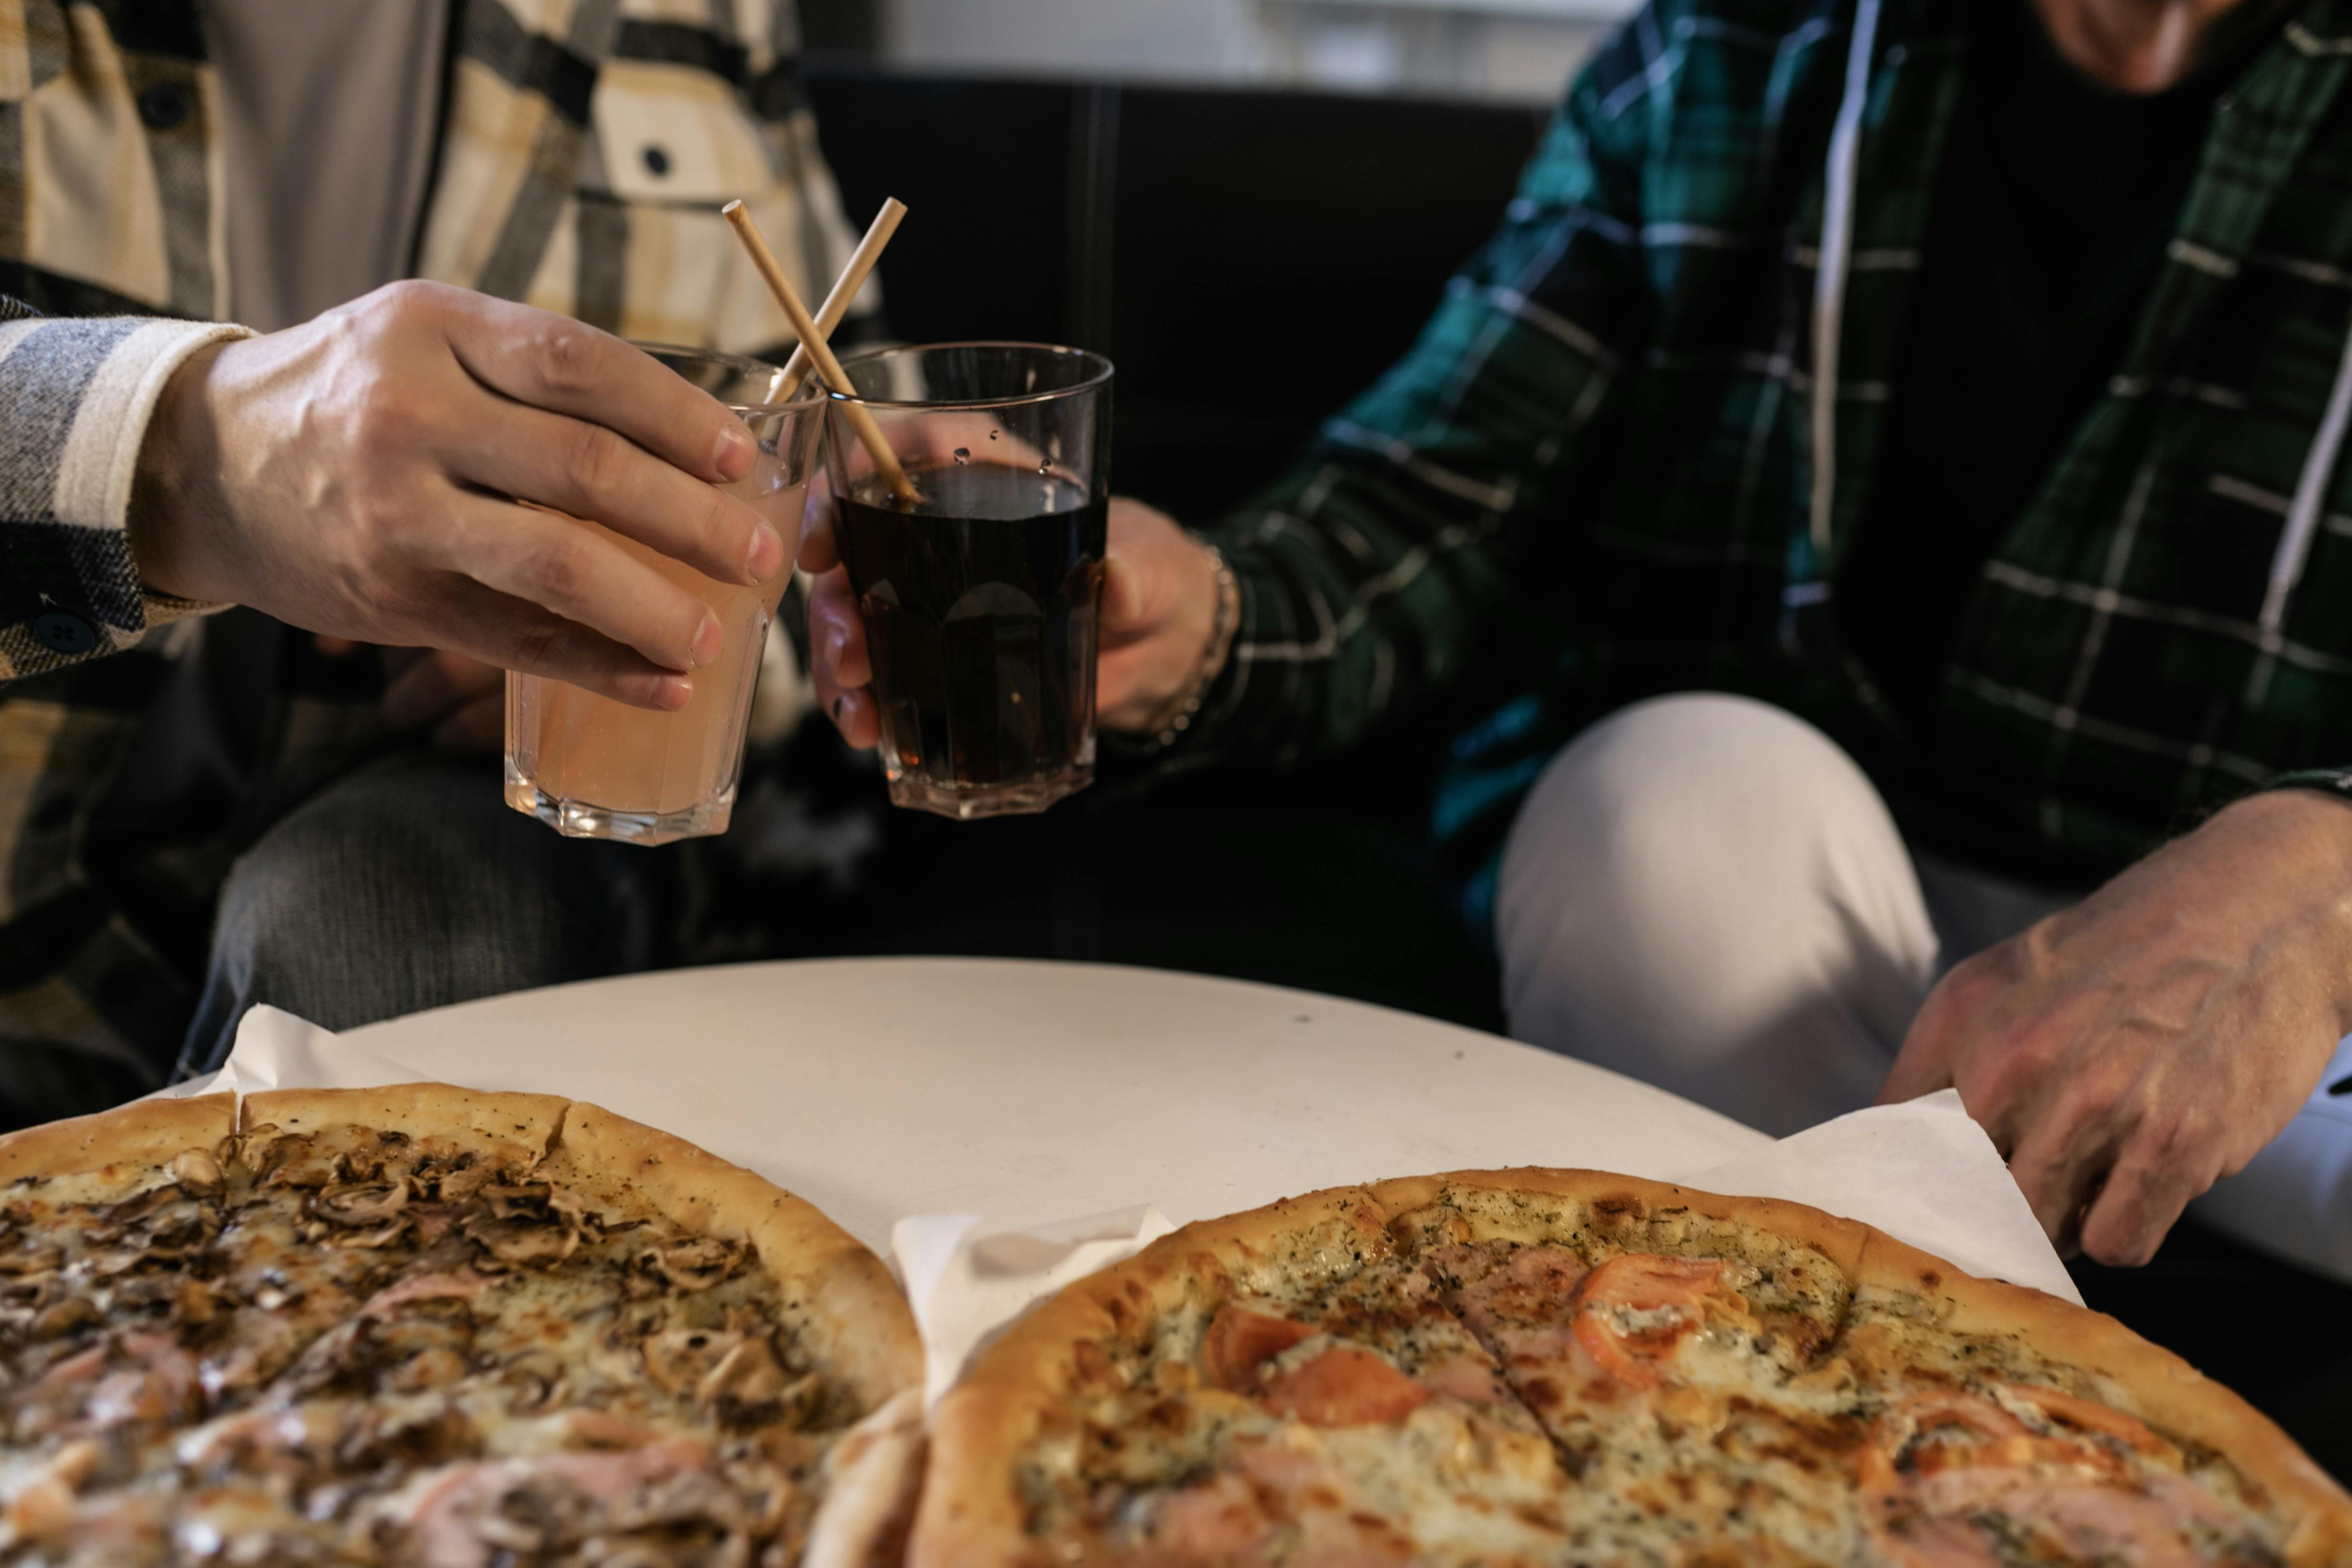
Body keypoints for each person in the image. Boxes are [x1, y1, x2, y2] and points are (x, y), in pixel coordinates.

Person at [804, 0, 2352, 1279]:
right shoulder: (1728, 54)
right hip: (1823, 925)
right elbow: (1435, 508)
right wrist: (1198, 617)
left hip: (2314, 982)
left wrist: (2309, 885)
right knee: (1667, 808)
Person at [0, 0, 870, 1121]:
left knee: (376, 919)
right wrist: (186, 455)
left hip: (471, 827)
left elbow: (814, 462)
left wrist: (681, 614)